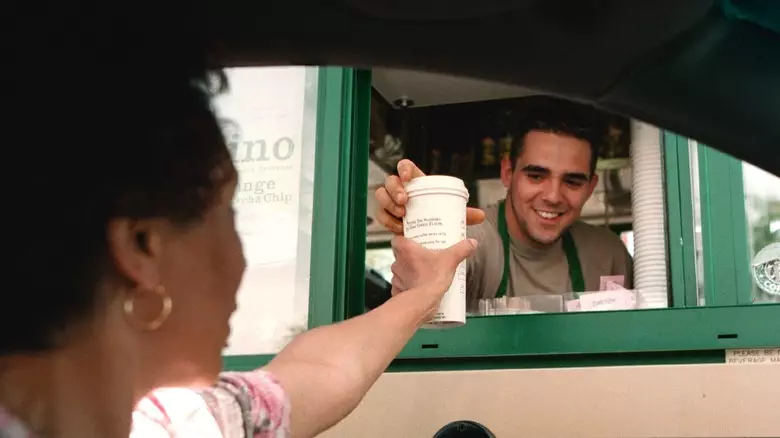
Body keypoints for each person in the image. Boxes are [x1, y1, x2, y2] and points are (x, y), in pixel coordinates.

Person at [0, 7, 477, 438]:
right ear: (142, 245)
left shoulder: (175, 424)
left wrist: (419, 295)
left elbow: (316, 373)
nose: (242, 261)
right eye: (229, 213)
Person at [375, 101, 633, 311]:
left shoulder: (609, 255)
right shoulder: (474, 237)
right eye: (536, 176)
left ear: (590, 186)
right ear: (508, 172)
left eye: (573, 181)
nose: (553, 196)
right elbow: (431, 280)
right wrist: (424, 214)